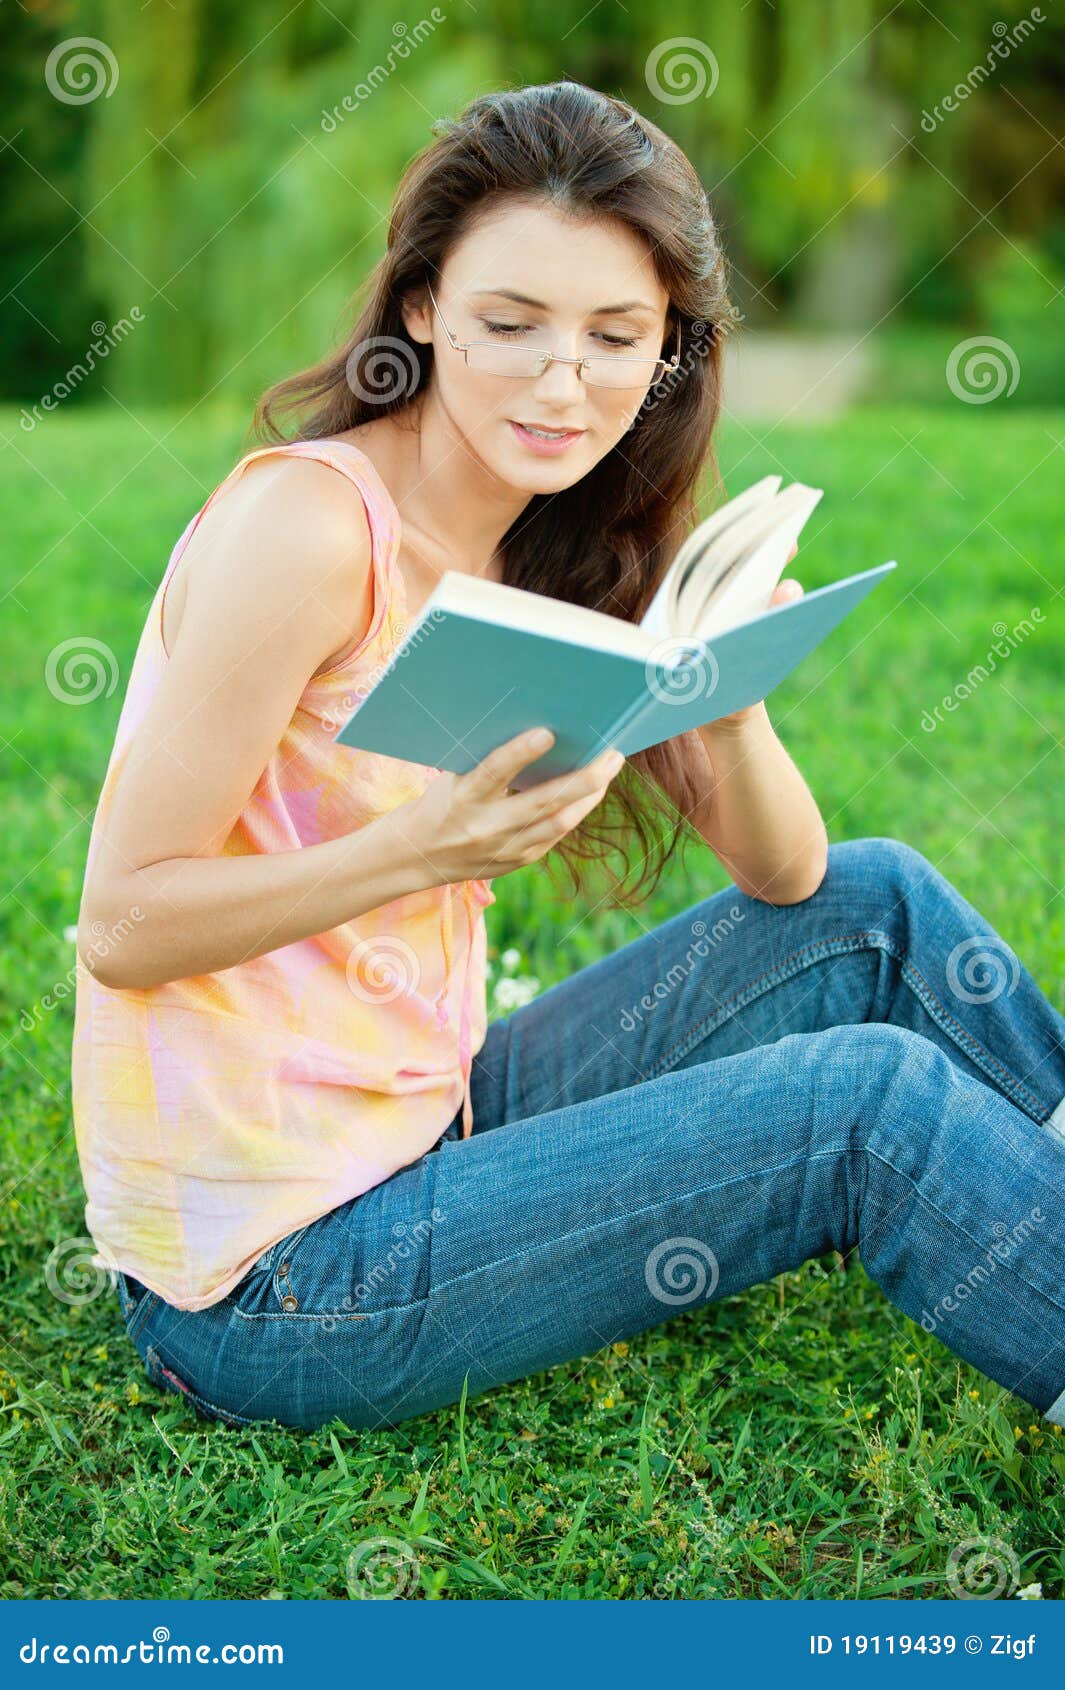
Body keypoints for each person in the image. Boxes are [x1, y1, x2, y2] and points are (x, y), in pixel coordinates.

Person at [73, 81, 1065, 1434]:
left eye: (615, 336)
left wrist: (725, 704)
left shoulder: (561, 537)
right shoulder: (307, 534)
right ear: (421, 307)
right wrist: (418, 850)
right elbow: (123, 925)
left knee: (876, 905)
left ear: (669, 347)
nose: (561, 383)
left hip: (434, 1120)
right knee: (860, 1107)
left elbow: (792, 881)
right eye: (509, 325)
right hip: (279, 1282)